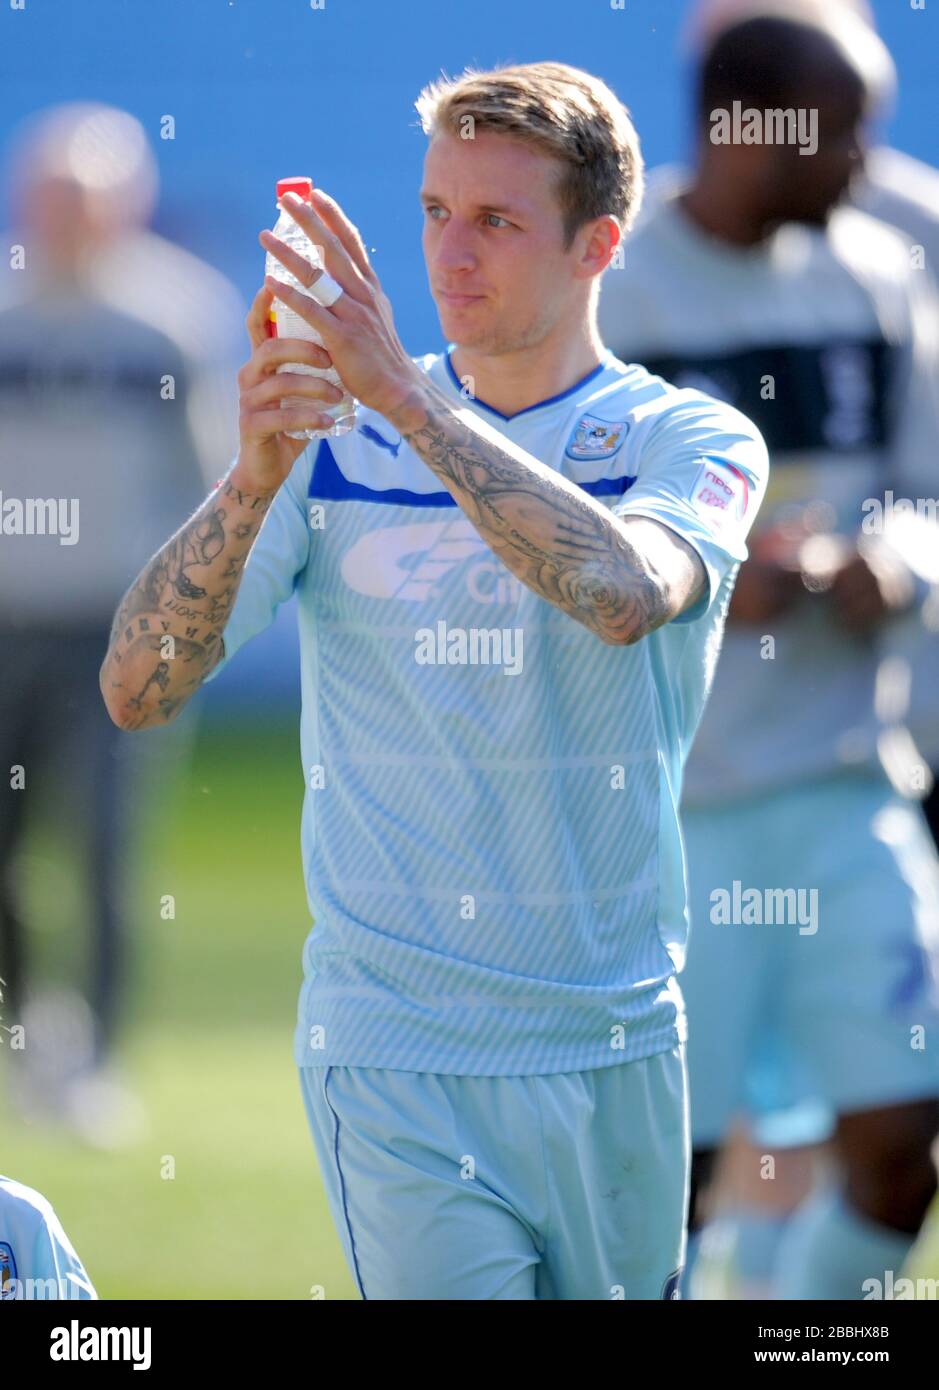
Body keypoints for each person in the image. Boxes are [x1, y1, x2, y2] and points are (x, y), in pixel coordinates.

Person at [99, 62, 768, 1300]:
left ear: (598, 244)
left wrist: (404, 400)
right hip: (396, 1049)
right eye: (433, 212)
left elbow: (622, 596)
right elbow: (136, 688)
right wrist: (250, 481)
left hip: (618, 1037)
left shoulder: (693, 439)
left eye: (497, 221)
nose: (450, 254)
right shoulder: (330, 448)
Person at [598, 11, 939, 1299]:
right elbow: (546, 529)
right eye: (844, 127)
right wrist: (696, 572)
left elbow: (926, 493)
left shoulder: (874, 273)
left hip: (851, 773)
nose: (867, 159)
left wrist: (893, 566)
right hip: (672, 802)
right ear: (748, 129)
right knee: (665, 1173)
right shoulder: (616, 292)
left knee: (904, 1139)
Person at [0, 103, 243, 1148]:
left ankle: (94, 1056)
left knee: (105, 843)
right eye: (51, 197)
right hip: (6, 620)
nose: (65, 220)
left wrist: (181, 622)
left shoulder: (173, 317)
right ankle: (27, 1030)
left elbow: (208, 479)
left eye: (84, 201)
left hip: (115, 629)